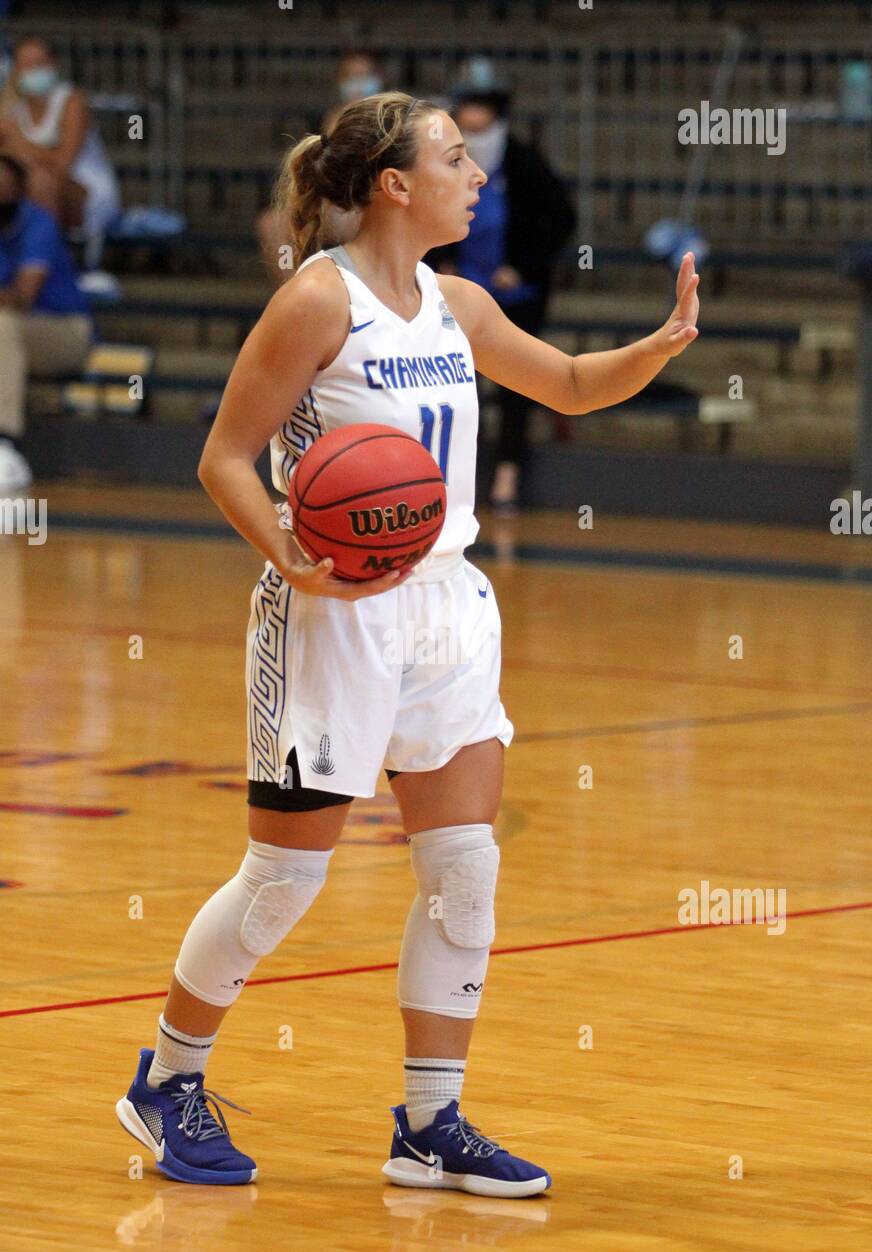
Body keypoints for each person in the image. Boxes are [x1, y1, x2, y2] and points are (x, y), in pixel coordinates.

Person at [116, 92, 699, 1194]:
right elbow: (225, 458)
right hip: (333, 608)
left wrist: (661, 344)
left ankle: (429, 1120)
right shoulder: (315, 301)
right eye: (453, 156)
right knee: (285, 877)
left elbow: (569, 382)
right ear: (394, 185)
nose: (475, 173)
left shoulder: (458, 304)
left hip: (445, 604)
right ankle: (166, 1077)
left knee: (463, 871)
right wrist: (285, 553)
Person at [431, 61, 575, 512]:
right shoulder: (436, 163)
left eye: (483, 106)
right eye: (469, 106)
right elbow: (422, 216)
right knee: (457, 383)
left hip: (514, 295)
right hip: (459, 292)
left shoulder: (522, 159)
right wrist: (443, 263)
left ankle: (507, 476)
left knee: (518, 385)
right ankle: (455, 482)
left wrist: (522, 266)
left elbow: (561, 218)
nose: (475, 116)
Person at [0, 154, 92, 489]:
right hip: (18, 333)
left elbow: (23, 298)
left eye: (5, 188)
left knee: (3, 324)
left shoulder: (39, 224)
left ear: (20, 192)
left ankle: (4, 443)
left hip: (65, 332)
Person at [255, 51, 384, 283]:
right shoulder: (332, 118)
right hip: (336, 199)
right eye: (350, 76)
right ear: (340, 81)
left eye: (363, 75)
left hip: (377, 200)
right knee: (273, 223)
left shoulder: (394, 118)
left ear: (377, 77)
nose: (357, 83)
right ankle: (295, 294)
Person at [0, 35, 121, 268]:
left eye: (39, 64)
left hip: (85, 192)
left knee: (42, 181)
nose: (32, 70)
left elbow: (62, 163)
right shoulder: (14, 110)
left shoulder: (72, 102)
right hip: (34, 187)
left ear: (54, 65)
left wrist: (17, 142)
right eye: (25, 65)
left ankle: (46, 263)